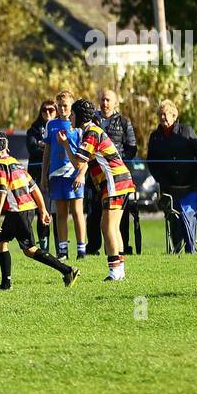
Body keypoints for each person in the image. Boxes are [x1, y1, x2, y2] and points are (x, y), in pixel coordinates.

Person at [0, 131, 80, 290]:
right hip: (24, 210)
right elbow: (34, 188)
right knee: (2, 243)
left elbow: (1, 193)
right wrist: (42, 210)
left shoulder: (1, 166)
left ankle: (67, 270)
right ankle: (6, 283)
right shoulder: (15, 163)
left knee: (29, 249)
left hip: (18, 211)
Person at [59, 98, 136, 281]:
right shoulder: (92, 131)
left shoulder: (91, 132)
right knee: (113, 227)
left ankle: (114, 272)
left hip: (114, 181)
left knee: (106, 226)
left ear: (80, 116)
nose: (70, 117)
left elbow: (79, 164)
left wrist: (65, 145)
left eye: (73, 114)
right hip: (121, 179)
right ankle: (120, 270)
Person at [147, 100, 197, 254]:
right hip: (169, 188)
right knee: (174, 218)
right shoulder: (155, 137)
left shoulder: (186, 131)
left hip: (189, 187)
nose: (162, 118)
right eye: (160, 115)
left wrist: (196, 178)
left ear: (174, 115)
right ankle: (177, 249)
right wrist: (161, 179)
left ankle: (190, 250)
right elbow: (152, 162)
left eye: (165, 114)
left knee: (187, 215)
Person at [88, 89, 138, 255]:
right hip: (97, 176)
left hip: (115, 177)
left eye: (108, 100)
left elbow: (132, 147)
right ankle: (93, 248)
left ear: (115, 102)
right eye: (102, 100)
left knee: (117, 220)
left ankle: (121, 252)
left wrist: (116, 161)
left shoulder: (123, 122)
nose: (105, 103)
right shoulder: (93, 121)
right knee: (94, 214)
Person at [44, 91, 86, 260]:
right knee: (61, 213)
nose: (62, 109)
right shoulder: (51, 125)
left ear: (71, 107)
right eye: (59, 106)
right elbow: (47, 151)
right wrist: (43, 176)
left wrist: (81, 174)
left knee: (77, 211)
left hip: (74, 175)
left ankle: (81, 248)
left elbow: (86, 155)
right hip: (56, 174)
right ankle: (63, 249)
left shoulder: (78, 126)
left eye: (66, 106)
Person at [25, 99, 56, 249]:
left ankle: (60, 246)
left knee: (53, 211)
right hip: (37, 176)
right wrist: (47, 148)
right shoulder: (33, 129)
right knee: (38, 210)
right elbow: (32, 149)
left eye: (51, 110)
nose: (48, 113)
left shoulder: (58, 127)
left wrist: (43, 145)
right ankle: (42, 245)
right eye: (45, 110)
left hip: (55, 173)